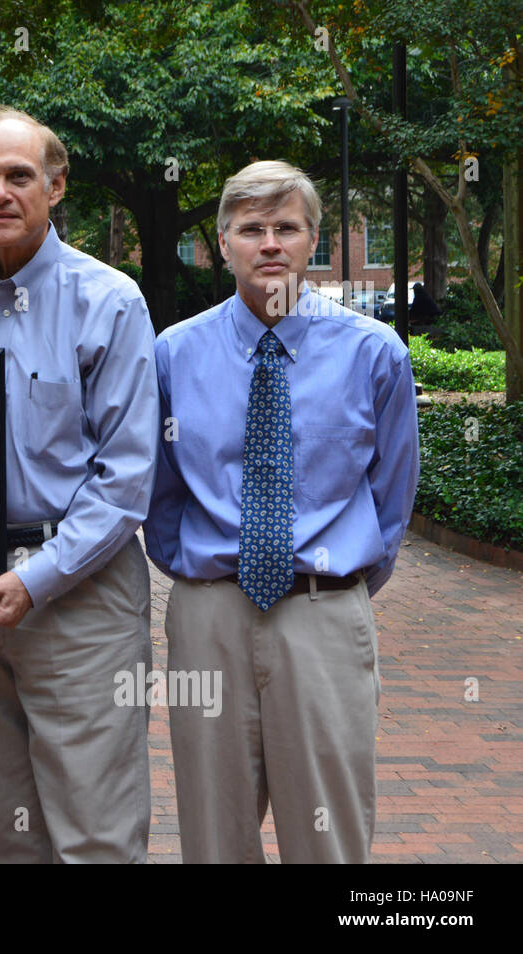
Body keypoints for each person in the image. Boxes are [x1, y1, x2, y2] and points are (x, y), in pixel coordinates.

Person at [144, 160, 419, 863]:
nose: (270, 243)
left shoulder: (372, 352)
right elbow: (160, 490)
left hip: (322, 616)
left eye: (287, 228)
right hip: (209, 615)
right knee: (213, 837)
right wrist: (197, 572)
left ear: (312, 240)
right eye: (251, 228)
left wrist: (335, 588)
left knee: (328, 837)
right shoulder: (174, 354)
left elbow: (392, 496)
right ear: (221, 242)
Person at [0, 105, 159, 863]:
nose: (1, 192)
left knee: (96, 831)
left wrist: (39, 578)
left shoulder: (110, 300)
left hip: (80, 590)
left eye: (20, 176)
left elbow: (127, 472)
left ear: (56, 186)